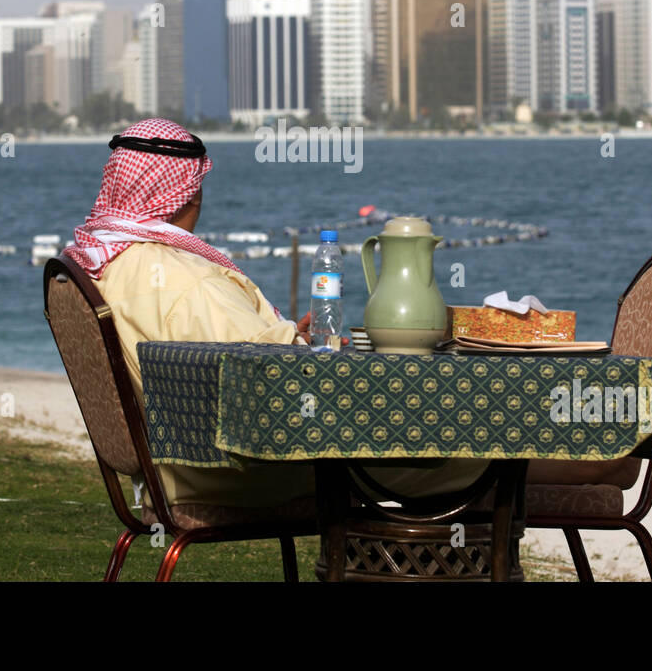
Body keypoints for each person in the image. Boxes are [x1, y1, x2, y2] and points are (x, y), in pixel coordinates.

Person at [64, 118, 485, 509]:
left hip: (169, 470)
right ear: (185, 194)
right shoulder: (188, 282)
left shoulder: (100, 264)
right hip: (231, 476)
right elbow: (270, 378)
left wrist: (290, 338)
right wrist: (304, 348)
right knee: (474, 456)